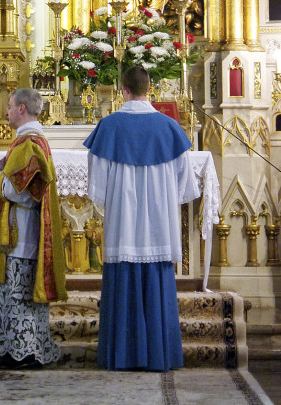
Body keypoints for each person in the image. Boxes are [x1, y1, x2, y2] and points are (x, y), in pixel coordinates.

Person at [84, 64, 200, 370]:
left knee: (123, 282)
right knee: (158, 284)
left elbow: (96, 188)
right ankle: (160, 355)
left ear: (124, 89)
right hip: (160, 224)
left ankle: (121, 355)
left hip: (123, 224)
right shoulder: (171, 128)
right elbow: (185, 186)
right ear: (149, 88)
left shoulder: (108, 127)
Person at [0, 88, 66, 368]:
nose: (6, 111)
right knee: (13, 294)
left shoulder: (29, 143)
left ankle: (21, 352)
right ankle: (12, 349)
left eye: (10, 106)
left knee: (16, 295)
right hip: (19, 229)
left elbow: (14, 189)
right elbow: (6, 172)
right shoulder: (27, 141)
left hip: (19, 232)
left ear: (23, 109)